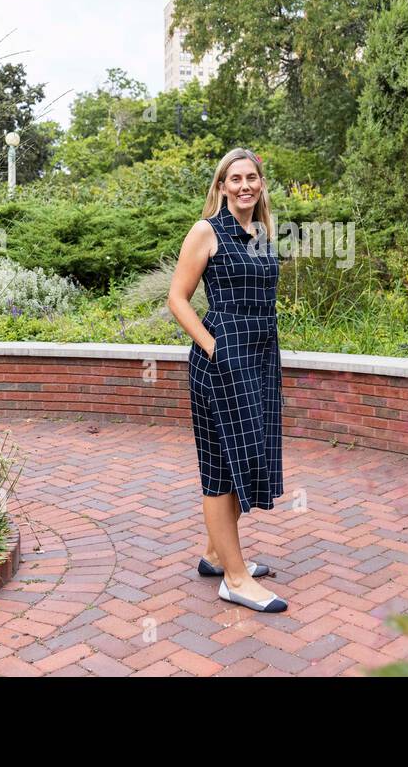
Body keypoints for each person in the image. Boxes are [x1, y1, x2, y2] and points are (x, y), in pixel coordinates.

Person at [167, 147, 287, 613]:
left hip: (259, 359)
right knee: (221, 464)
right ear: (220, 187)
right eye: (234, 179)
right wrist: (214, 346)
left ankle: (218, 553)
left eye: (251, 178)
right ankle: (235, 580)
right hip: (221, 358)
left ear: (260, 184)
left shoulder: (260, 233)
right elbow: (178, 298)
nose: (244, 186)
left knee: (251, 454)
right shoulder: (206, 231)